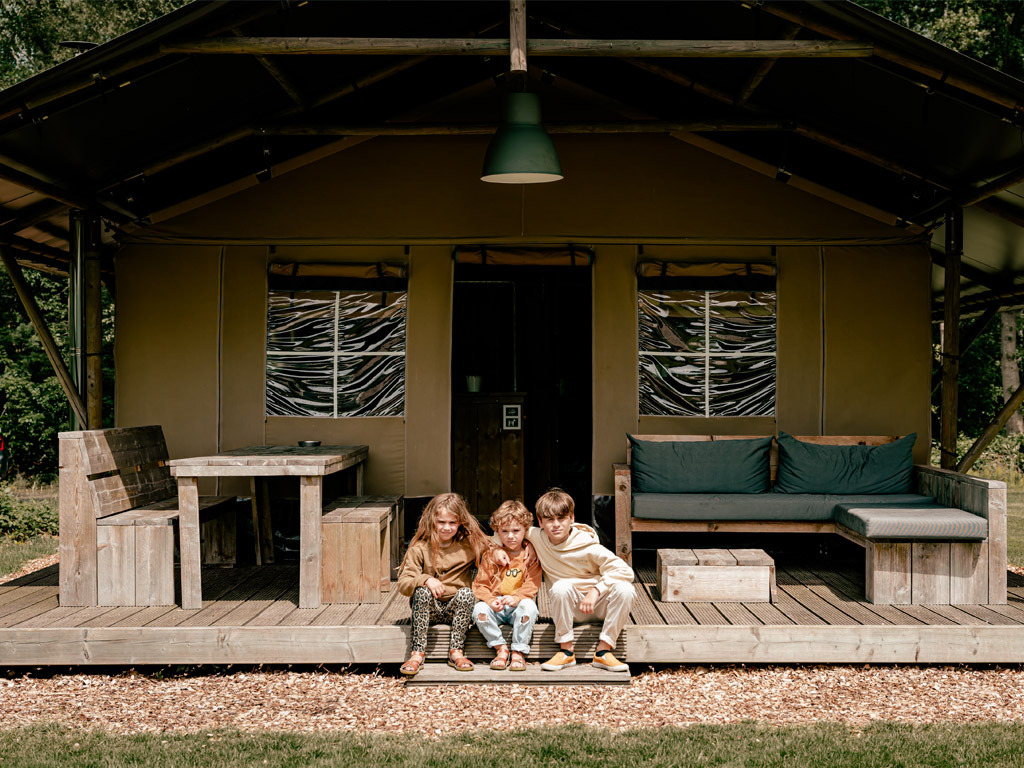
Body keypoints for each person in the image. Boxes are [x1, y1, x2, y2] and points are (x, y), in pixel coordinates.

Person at [526, 489, 635, 673]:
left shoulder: (588, 545)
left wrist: (596, 590)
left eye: (561, 518)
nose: (556, 525)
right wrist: (526, 544)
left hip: (599, 606)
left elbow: (625, 570)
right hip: (570, 608)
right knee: (561, 586)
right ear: (540, 521)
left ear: (572, 518)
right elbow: (503, 533)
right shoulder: (537, 537)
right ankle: (566, 651)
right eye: (550, 520)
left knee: (625, 589)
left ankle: (604, 651)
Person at [397, 492, 490, 676]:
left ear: (460, 522)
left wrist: (528, 547)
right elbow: (404, 584)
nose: (446, 527)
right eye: (441, 522)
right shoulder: (420, 549)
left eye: (452, 523)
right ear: (432, 521)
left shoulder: (470, 545)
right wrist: (426, 579)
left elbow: (498, 545)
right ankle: (417, 653)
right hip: (428, 610)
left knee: (466, 594)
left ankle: (456, 651)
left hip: (457, 611)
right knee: (422, 592)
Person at [472, 500, 542, 671]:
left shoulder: (531, 555)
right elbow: (480, 584)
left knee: (529, 607)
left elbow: (532, 584)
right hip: (496, 605)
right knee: (478, 610)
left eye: (516, 531)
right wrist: (489, 600)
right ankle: (500, 647)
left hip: (518, 605)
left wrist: (517, 598)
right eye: (505, 531)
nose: (510, 536)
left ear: (525, 530)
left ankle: (518, 651)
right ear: (497, 531)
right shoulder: (491, 555)